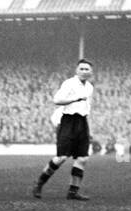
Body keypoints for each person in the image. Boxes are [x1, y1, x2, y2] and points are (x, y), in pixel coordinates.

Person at [33, 59, 94, 200]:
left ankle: (73, 192)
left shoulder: (90, 87)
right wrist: (76, 98)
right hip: (68, 121)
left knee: (83, 158)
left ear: (91, 72)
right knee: (61, 158)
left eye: (87, 69)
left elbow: (86, 106)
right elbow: (57, 100)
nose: (84, 71)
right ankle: (39, 183)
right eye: (82, 69)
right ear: (76, 70)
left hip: (82, 122)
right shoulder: (69, 83)